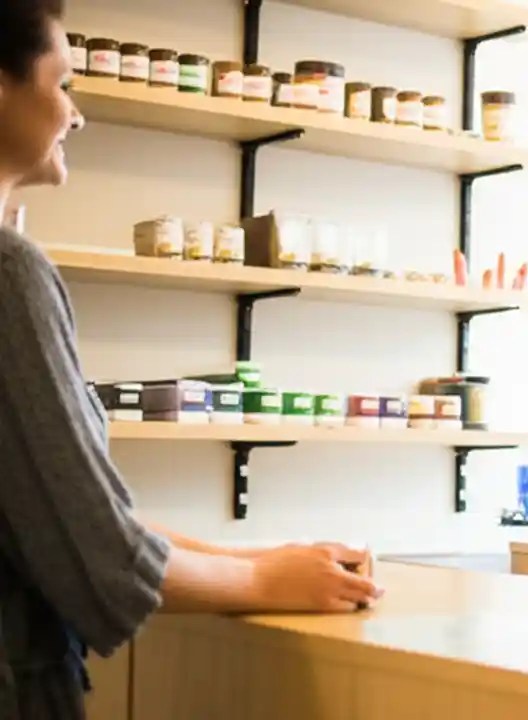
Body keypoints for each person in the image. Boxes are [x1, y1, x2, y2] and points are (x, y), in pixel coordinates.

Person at [0, 2, 383, 717]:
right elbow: (97, 555)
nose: (76, 115)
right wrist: (268, 585)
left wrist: (259, 559)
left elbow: (75, 514)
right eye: (63, 84)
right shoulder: (8, 274)